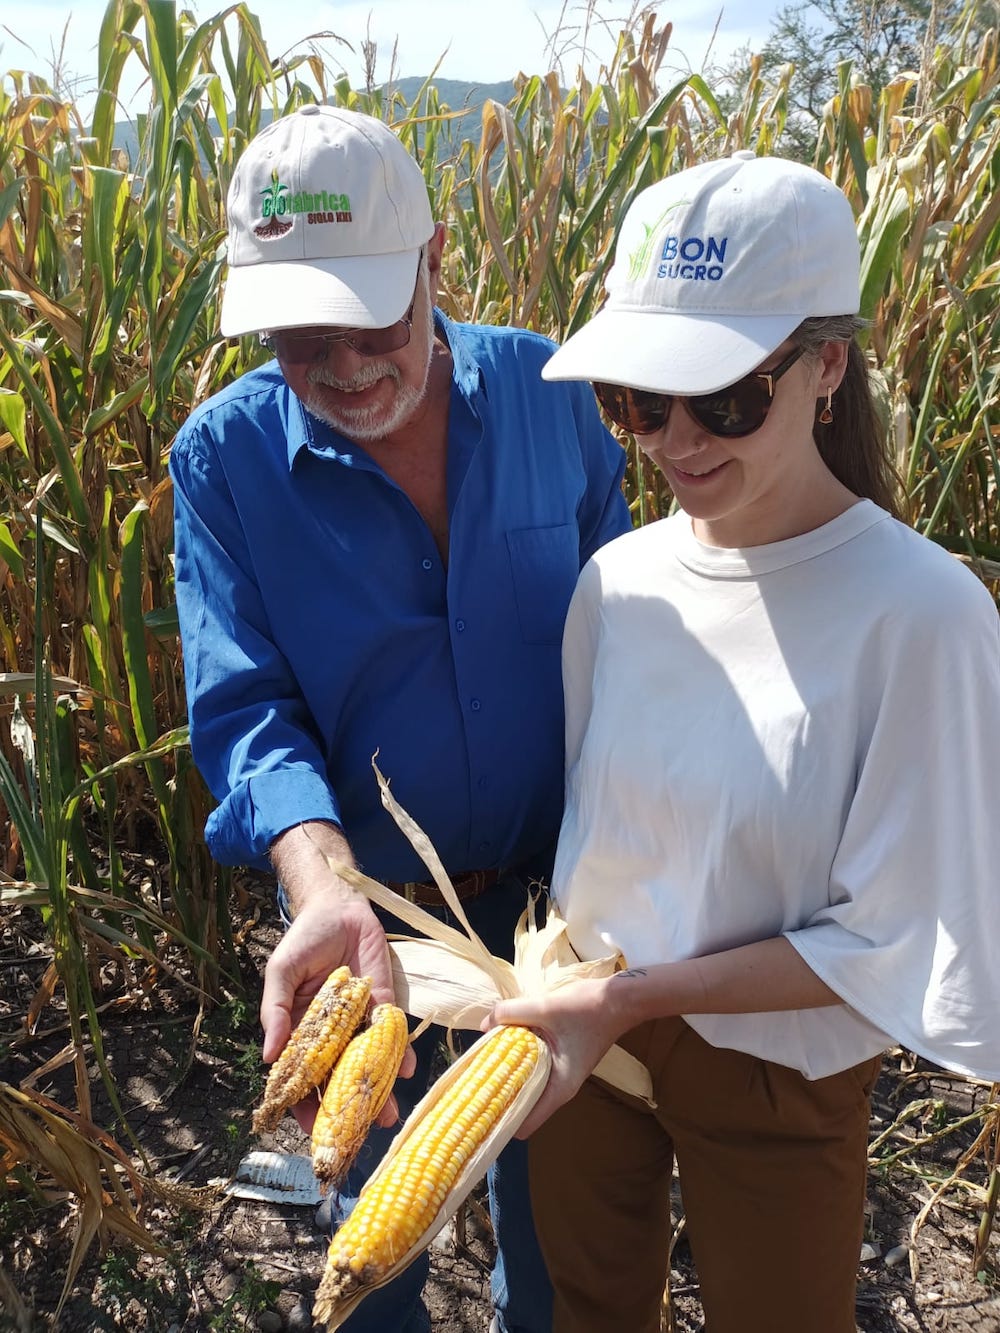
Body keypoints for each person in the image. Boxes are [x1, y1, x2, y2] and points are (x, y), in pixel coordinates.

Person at [488, 151, 1000, 1333]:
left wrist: (633, 1002)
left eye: (721, 398)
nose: (672, 440)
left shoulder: (922, 615)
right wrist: (595, 1003)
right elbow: (597, 823)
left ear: (826, 367)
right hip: (580, 1026)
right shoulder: (617, 581)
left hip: (774, 1063)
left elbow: (890, 941)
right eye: (636, 402)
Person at [168, 104, 632, 1333]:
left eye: (370, 318)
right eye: (296, 333)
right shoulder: (222, 463)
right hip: (373, 938)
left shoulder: (554, 398)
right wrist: (325, 890)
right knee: (371, 1243)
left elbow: (632, 638)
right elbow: (249, 708)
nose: (342, 365)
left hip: (557, 917)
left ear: (436, 261)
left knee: (557, 1243)